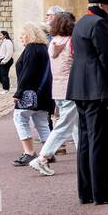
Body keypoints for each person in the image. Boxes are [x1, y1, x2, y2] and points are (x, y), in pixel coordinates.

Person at [68, 0, 108, 205]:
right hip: (98, 89)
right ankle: (101, 191)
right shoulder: (99, 24)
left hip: (80, 88)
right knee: (100, 143)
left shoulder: (82, 23)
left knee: (85, 141)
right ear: (102, 5)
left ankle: (86, 191)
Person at [31, 12, 77, 176]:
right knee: (64, 125)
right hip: (71, 88)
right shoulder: (71, 42)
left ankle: (83, 155)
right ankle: (42, 157)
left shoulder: (53, 42)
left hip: (57, 88)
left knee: (75, 123)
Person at [11, 23, 54, 166]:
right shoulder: (44, 48)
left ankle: (29, 152)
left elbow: (27, 73)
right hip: (44, 93)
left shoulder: (31, 49)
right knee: (41, 122)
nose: (21, 38)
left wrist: (19, 92)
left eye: (22, 35)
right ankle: (49, 152)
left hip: (30, 93)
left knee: (20, 118)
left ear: (29, 35)